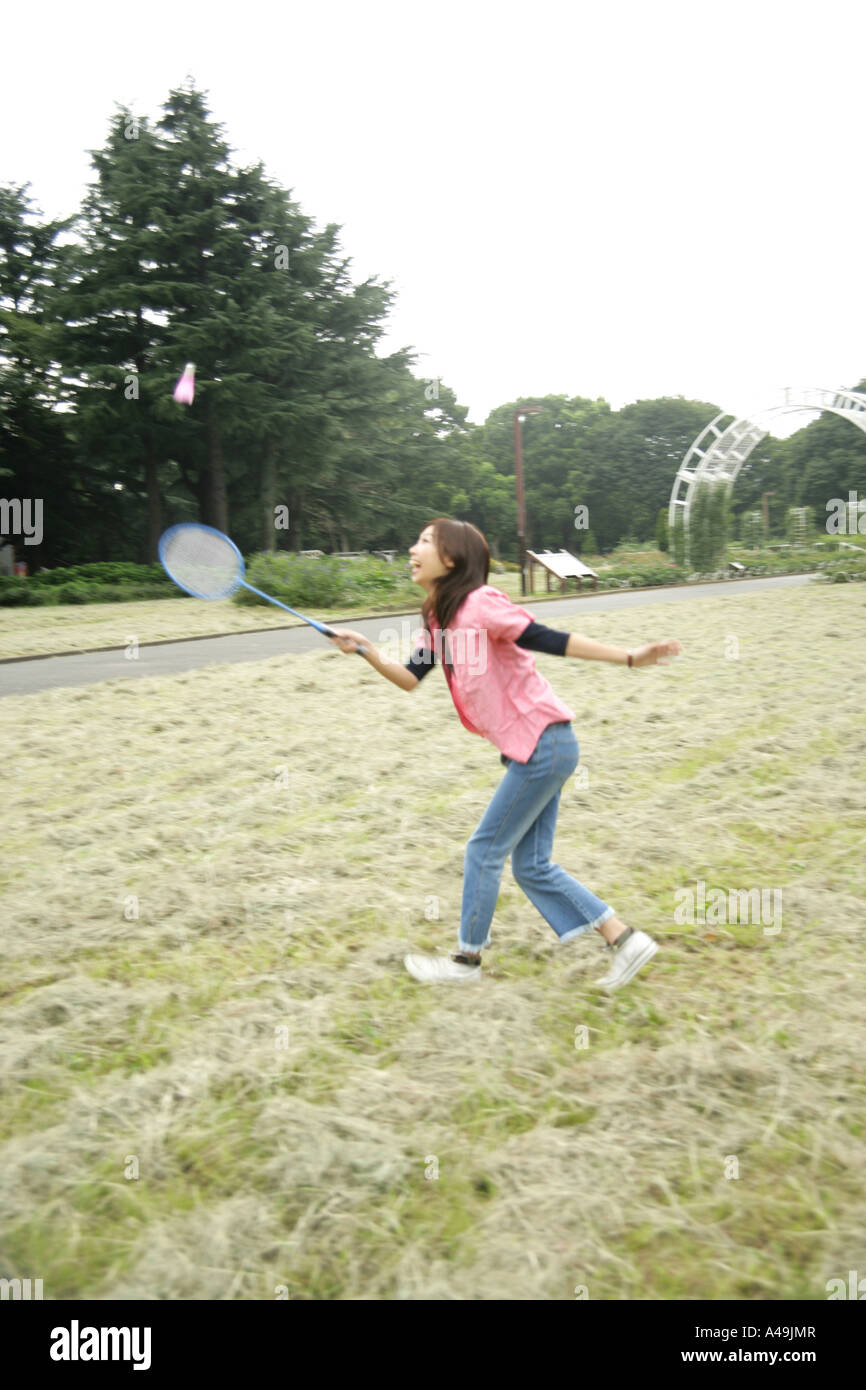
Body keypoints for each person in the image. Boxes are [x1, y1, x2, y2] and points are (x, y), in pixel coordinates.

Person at [328, 518, 683, 990]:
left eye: (425, 542)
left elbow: (547, 638)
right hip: (540, 749)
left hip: (544, 744)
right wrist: (366, 650)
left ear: (451, 559)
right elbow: (411, 677)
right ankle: (625, 940)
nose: (412, 548)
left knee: (483, 849)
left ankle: (465, 961)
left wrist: (630, 657)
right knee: (532, 866)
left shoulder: (480, 604)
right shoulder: (439, 618)